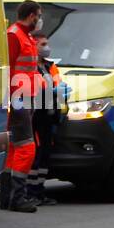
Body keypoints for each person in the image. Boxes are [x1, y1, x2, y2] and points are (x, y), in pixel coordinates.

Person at [1, 0, 43, 213]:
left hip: (25, 98)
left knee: (15, 148)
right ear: (31, 15)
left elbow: (29, 70)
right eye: (38, 15)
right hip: (18, 99)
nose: (39, 20)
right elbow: (8, 69)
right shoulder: (14, 35)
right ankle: (17, 197)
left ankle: (8, 197)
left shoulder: (25, 36)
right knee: (26, 147)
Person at [27, 33, 71, 206]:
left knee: (45, 155)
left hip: (49, 116)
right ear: (34, 46)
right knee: (35, 155)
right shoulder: (30, 68)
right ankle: (30, 193)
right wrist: (51, 90)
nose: (47, 47)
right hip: (35, 115)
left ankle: (39, 192)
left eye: (47, 43)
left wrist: (62, 93)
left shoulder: (50, 66)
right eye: (43, 44)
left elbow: (59, 86)